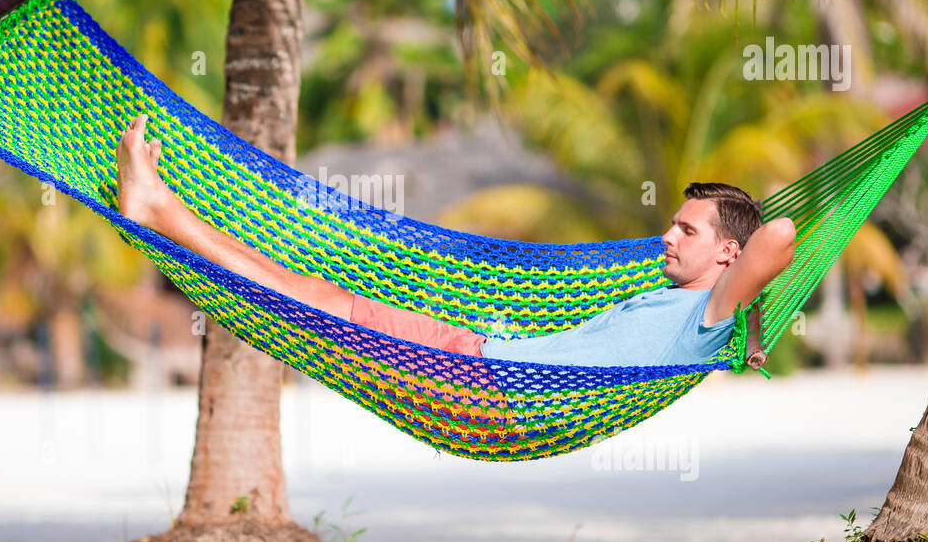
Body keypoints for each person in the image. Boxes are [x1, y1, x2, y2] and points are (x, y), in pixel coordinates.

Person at [116, 114, 796, 366]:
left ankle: (161, 208)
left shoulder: (708, 314)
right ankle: (165, 208)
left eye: (686, 228)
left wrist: (746, 306)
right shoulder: (670, 297)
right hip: (480, 356)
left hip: (485, 380)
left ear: (729, 254)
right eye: (672, 222)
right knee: (317, 296)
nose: (667, 235)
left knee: (315, 299)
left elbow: (784, 233)